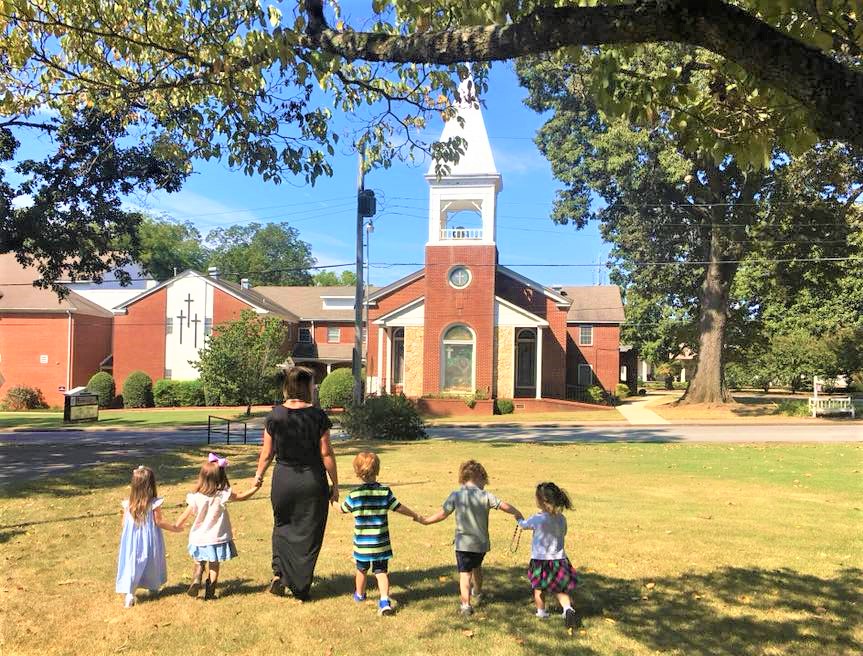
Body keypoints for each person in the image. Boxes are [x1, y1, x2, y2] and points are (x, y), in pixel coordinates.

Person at [253, 366, 339, 600]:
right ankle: (300, 585)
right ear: (304, 386)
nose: (314, 387)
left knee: (282, 525)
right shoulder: (318, 416)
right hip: (311, 479)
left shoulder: (275, 415)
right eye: (312, 384)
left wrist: (258, 475)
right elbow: (326, 453)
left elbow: (267, 453)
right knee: (310, 530)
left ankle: (279, 573)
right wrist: (335, 484)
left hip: (283, 479)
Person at [418, 460, 523, 616]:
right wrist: (517, 513)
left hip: (463, 544)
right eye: (484, 481)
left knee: (465, 574)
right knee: (477, 568)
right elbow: (504, 505)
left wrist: (426, 521)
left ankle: (466, 605)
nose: (484, 485)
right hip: (480, 544)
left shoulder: (456, 495)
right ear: (478, 477)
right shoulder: (486, 496)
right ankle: (478, 591)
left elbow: (443, 514)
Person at [335, 451, 422, 615]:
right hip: (381, 544)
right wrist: (415, 515)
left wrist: (332, 500)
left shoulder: (355, 494)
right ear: (377, 470)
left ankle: (360, 595)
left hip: (362, 545)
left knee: (361, 570)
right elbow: (399, 507)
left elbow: (341, 509)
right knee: (381, 572)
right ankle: (384, 601)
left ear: (357, 472)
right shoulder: (384, 492)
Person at [173, 453, 260, 599]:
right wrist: (255, 488)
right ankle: (210, 592)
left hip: (199, 537)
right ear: (220, 477)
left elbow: (184, 515)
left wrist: (176, 525)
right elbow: (241, 497)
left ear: (202, 478)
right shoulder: (222, 495)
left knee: (199, 560)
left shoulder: (196, 497)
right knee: (214, 564)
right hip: (216, 537)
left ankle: (197, 576)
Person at [115, 465, 182, 608]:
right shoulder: (153, 504)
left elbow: (124, 524)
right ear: (150, 485)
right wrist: (174, 528)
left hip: (132, 542)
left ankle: (130, 593)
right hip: (150, 540)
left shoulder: (129, 505)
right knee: (151, 561)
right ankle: (152, 585)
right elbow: (159, 522)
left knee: (132, 564)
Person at [518, 482, 579, 630]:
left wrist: (518, 518)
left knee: (539, 588)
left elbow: (524, 525)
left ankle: (541, 611)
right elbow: (564, 533)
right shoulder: (561, 518)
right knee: (560, 589)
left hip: (540, 560)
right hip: (559, 560)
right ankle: (567, 609)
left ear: (542, 501)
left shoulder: (537, 518)